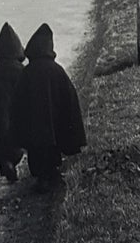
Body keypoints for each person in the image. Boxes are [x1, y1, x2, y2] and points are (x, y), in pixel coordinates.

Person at [10, 23, 87, 192]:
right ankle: (52, 175)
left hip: (34, 128)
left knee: (36, 153)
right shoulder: (57, 71)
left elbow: (17, 101)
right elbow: (70, 98)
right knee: (51, 151)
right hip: (54, 128)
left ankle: (41, 178)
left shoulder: (27, 72)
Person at [0, 22, 26, 182]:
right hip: (16, 118)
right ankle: (12, 164)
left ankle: (4, 163)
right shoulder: (21, 70)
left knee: (0, 147)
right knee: (16, 145)